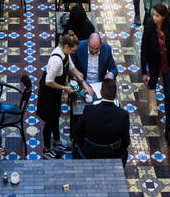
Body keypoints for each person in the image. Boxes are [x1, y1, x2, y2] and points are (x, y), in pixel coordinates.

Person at [36, 31, 87, 159]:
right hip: (48, 92)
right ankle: (46, 149)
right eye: (73, 50)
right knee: (49, 121)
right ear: (66, 47)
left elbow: (72, 68)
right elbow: (48, 82)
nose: (74, 52)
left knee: (56, 116)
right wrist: (65, 88)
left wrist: (82, 80)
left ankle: (57, 142)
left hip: (55, 91)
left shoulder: (65, 54)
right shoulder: (56, 60)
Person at [141, 2, 170, 147]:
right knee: (152, 84)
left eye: (157, 16)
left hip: (169, 64)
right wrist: (143, 71)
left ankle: (168, 128)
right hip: (154, 63)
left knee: (169, 95)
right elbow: (144, 48)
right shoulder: (149, 27)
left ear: (164, 17)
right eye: (153, 15)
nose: (154, 17)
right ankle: (152, 108)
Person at [74, 78, 130, 161]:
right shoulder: (123, 115)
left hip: (88, 153)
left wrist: (83, 146)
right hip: (111, 155)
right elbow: (126, 141)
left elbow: (77, 132)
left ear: (100, 92)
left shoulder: (88, 110)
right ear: (115, 95)